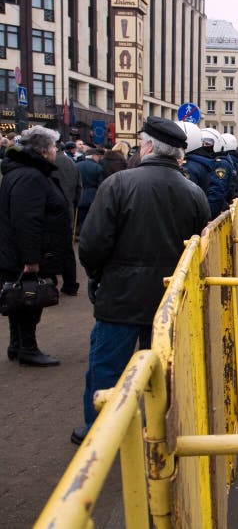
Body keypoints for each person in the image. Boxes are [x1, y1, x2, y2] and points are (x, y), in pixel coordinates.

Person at [73, 116, 210, 445]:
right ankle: (158, 433)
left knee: (108, 369)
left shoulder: (118, 184)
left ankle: (100, 434)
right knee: (161, 370)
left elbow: (92, 244)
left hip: (120, 295)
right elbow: (199, 248)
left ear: (148, 146)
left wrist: (97, 275)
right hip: (169, 297)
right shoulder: (194, 192)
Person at [0, 126, 68, 366]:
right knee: (29, 298)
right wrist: (31, 259)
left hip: (16, 250)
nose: (55, 151)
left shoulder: (20, 172)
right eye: (53, 147)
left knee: (17, 294)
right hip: (27, 253)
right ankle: (28, 348)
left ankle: (17, 344)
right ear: (43, 151)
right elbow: (27, 220)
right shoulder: (31, 176)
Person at [52, 142, 83, 296]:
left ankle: (51, 284)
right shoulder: (70, 163)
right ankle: (70, 284)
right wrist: (74, 203)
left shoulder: (47, 162)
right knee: (67, 249)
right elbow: (79, 187)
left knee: (50, 248)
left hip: (51, 212)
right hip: (68, 210)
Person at [76, 148, 105, 236]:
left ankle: (79, 232)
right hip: (93, 195)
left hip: (80, 194)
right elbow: (100, 184)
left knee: (80, 217)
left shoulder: (77, 165)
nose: (99, 158)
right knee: (91, 218)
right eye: (98, 156)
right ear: (94, 156)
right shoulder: (98, 167)